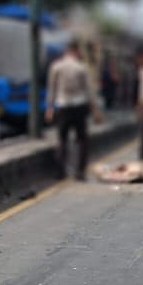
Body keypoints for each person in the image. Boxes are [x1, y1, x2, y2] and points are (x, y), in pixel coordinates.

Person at [45, 40, 103, 180]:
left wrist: (50, 108)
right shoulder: (81, 67)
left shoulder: (56, 67)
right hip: (79, 107)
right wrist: (95, 111)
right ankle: (80, 172)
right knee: (82, 140)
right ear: (76, 51)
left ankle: (60, 172)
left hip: (63, 106)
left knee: (62, 140)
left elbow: (52, 89)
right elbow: (90, 91)